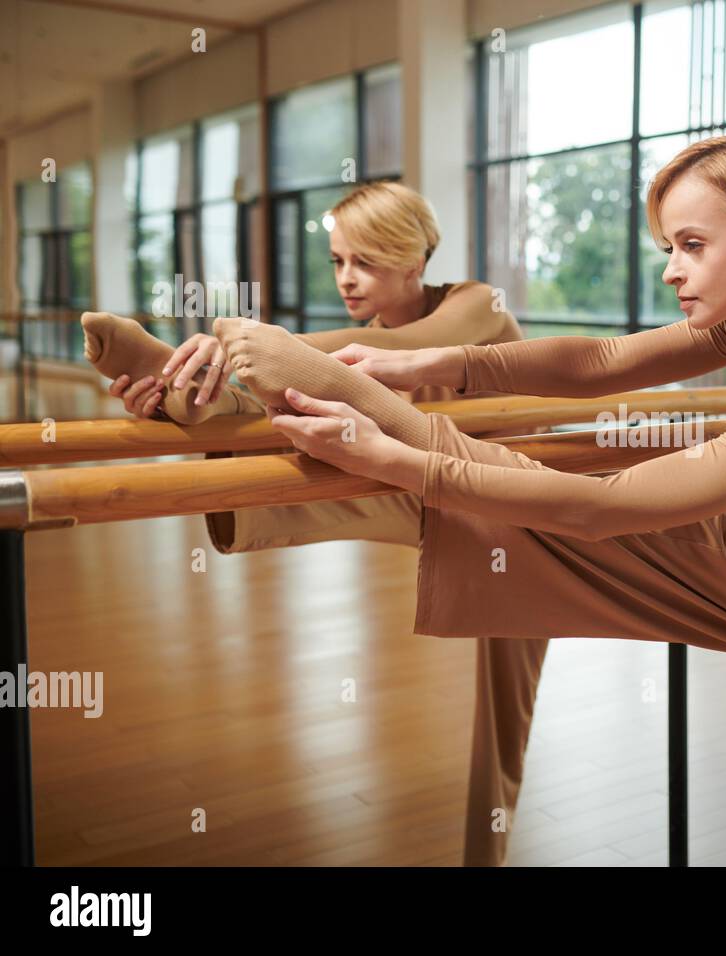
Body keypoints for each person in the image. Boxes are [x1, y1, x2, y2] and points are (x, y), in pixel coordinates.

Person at [207, 130, 726, 866]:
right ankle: (322, 410)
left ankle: (375, 428)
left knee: (693, 541)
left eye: (692, 245)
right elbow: (604, 364)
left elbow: (611, 508)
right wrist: (433, 364)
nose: (671, 270)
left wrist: (399, 455)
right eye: (669, 247)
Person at [81, 181, 550, 867]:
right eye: (336, 261)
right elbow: (311, 386)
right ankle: (189, 398)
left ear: (415, 261)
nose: (346, 279)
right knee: (322, 456)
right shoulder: (372, 344)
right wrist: (198, 387)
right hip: (442, 498)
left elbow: (372, 348)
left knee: (504, 731)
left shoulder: (472, 304)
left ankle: (487, 860)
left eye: (364, 261)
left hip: (529, 516)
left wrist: (235, 341)